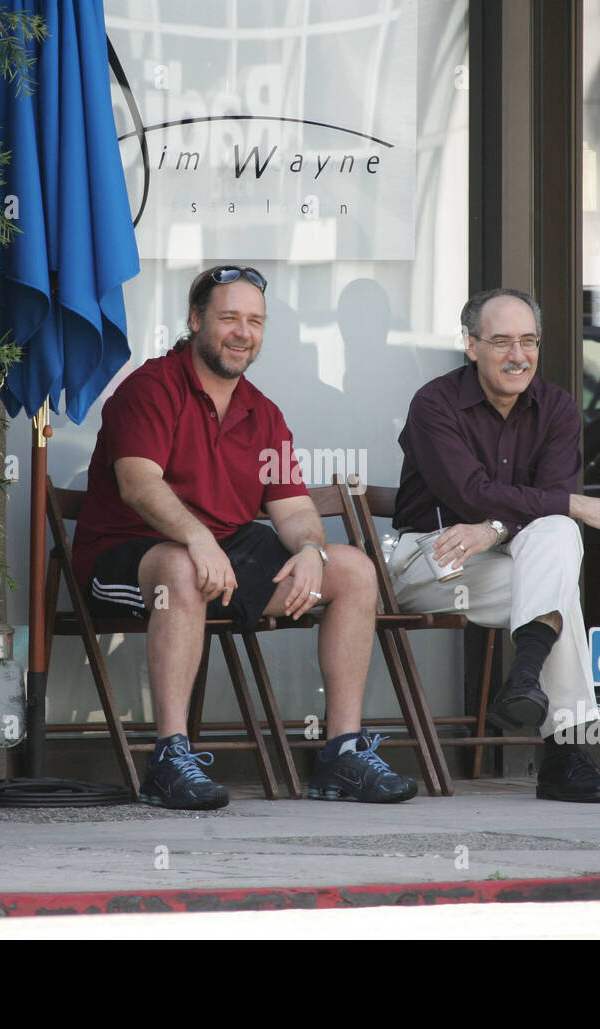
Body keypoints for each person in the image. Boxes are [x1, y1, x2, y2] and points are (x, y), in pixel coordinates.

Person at [72, 265, 416, 810]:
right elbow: (139, 485)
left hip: (225, 555)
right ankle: (169, 757)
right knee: (183, 566)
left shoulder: (264, 412)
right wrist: (197, 538)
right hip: (129, 557)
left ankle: (341, 755)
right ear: (194, 320)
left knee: (352, 570)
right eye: (229, 316)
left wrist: (309, 548)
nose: (242, 332)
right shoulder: (150, 388)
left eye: (254, 321)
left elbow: (294, 507)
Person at [390, 287, 600, 802]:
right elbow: (470, 493)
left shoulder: (556, 408)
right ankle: (563, 752)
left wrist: (500, 527)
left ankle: (525, 678)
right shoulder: (434, 404)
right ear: (470, 345)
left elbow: (535, 511)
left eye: (528, 341)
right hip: (432, 556)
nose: (517, 355)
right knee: (559, 559)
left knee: (557, 538)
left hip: (504, 559)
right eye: (501, 341)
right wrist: (570, 505)